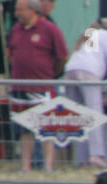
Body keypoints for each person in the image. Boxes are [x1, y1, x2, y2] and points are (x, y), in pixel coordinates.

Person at [7, 0, 68, 174]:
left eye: (20, 10)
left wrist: (51, 75)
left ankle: (48, 166)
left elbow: (62, 56)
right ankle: (25, 166)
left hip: (42, 87)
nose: (17, 13)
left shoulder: (49, 28)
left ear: (33, 11)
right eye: (16, 10)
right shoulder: (15, 30)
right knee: (24, 128)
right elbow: (10, 53)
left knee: (46, 127)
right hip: (19, 87)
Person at [65, 18, 107, 168]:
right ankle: (96, 155)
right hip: (89, 72)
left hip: (70, 70)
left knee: (77, 116)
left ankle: (80, 158)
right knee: (94, 114)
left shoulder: (89, 34)